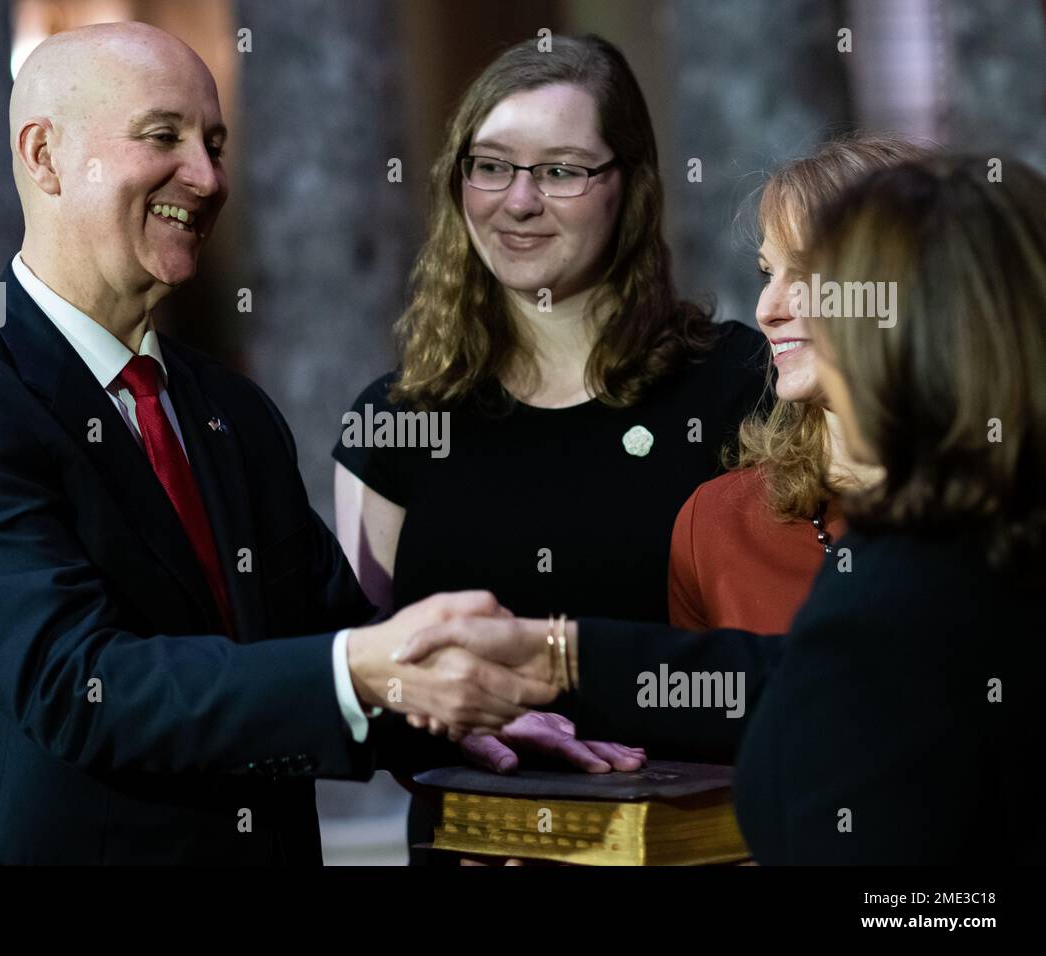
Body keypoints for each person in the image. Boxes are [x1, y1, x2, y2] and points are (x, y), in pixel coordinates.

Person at [0, 22, 551, 866]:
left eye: (215, 145)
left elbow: (319, 637)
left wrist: (462, 712)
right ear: (44, 156)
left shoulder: (231, 408)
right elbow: (78, 686)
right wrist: (361, 669)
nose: (208, 177)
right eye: (163, 137)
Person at [396, 154, 1046, 863]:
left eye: (819, 277)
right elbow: (784, 680)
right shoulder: (888, 535)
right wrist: (557, 661)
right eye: (768, 272)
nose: (768, 309)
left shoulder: (952, 554)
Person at [332, 32, 767, 858]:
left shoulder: (739, 387)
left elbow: (789, 666)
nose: (519, 201)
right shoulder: (392, 420)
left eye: (562, 171)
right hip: (472, 851)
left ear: (630, 188)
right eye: (491, 166)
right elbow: (369, 681)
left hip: (690, 849)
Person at [669, 135, 925, 633]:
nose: (766, 310)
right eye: (768, 273)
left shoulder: (1013, 513)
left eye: (806, 274)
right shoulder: (717, 525)